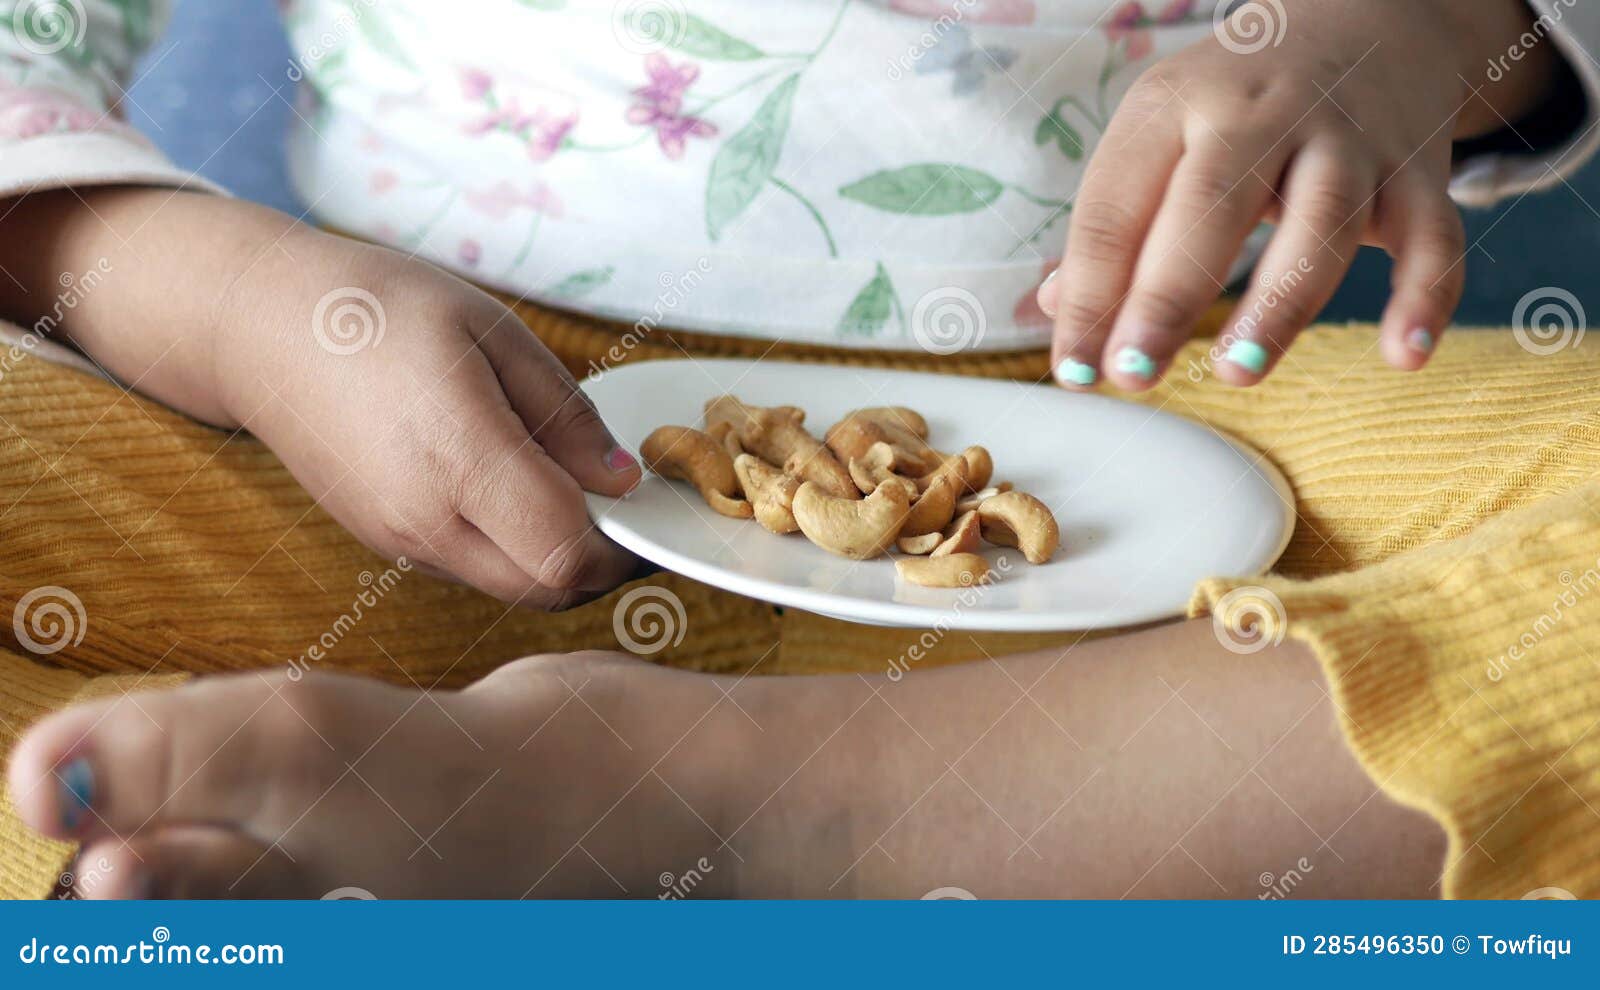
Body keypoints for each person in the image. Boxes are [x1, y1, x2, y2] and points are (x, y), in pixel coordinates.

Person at [1, 0, 1597, 898]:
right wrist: (234, 306)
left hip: (1153, 456)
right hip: (412, 433)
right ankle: (249, 829)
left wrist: (1436, 29)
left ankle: (726, 810)